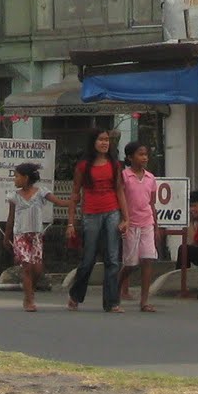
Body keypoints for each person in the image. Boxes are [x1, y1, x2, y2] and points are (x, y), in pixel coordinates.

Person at [65, 128, 128, 312]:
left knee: (113, 258)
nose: (104, 143)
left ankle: (112, 302)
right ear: (93, 142)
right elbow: (75, 194)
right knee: (88, 259)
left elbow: (119, 191)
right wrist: (70, 222)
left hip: (112, 211)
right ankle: (75, 295)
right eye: (101, 139)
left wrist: (126, 218)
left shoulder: (115, 164)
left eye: (107, 140)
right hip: (91, 213)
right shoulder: (83, 166)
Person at [2, 162, 72, 312]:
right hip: (20, 235)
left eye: (17, 176)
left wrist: (73, 201)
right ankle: (29, 300)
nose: (15, 179)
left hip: (36, 236)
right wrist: (6, 236)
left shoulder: (41, 192)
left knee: (38, 269)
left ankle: (29, 291)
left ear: (26, 178)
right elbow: (10, 218)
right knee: (27, 267)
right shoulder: (14, 196)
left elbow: (59, 202)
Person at [116, 142, 160, 312]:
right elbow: (119, 199)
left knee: (148, 259)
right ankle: (117, 287)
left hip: (147, 222)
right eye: (140, 154)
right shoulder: (124, 176)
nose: (144, 158)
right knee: (131, 263)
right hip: (131, 224)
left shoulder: (150, 178)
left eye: (146, 154)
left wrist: (156, 226)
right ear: (130, 157)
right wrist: (122, 219)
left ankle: (144, 301)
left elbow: (152, 203)